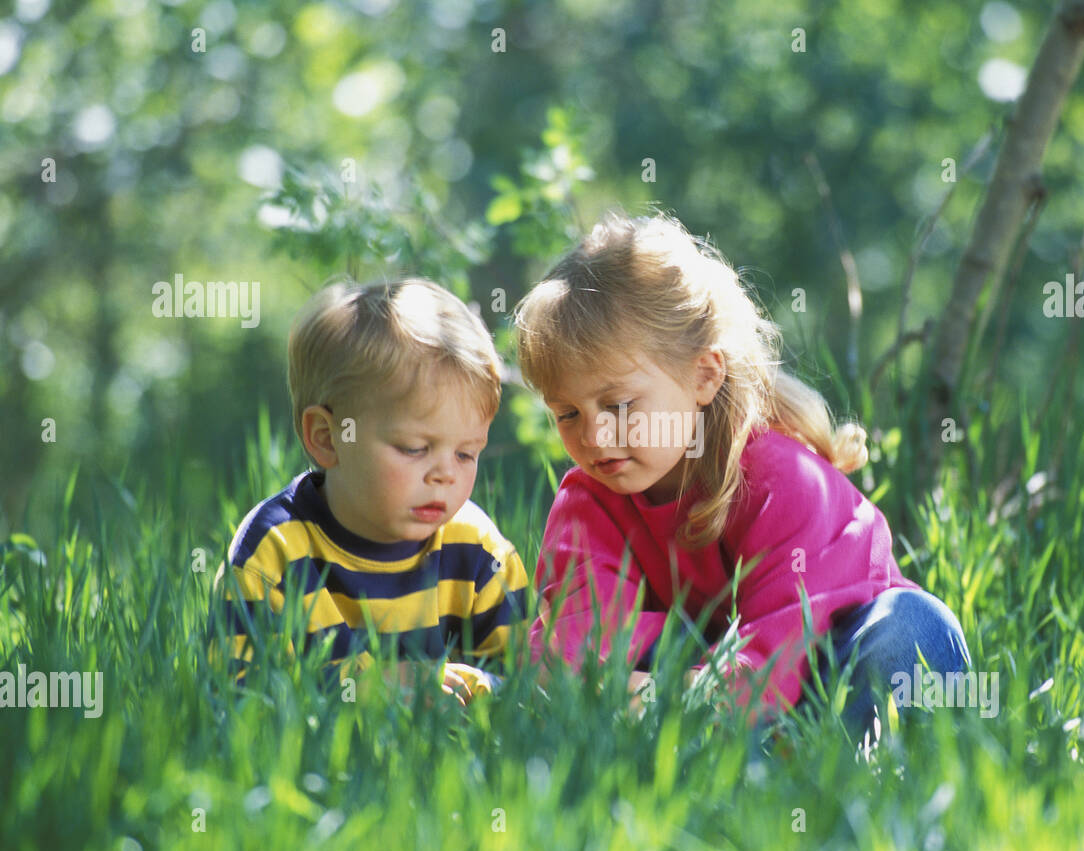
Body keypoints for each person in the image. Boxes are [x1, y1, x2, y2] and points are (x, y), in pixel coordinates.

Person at [514, 210, 970, 746]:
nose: (592, 436)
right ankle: (739, 763)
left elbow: (782, 651)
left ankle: (846, 768)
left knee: (911, 626)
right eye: (567, 414)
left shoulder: (784, 479)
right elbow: (571, 655)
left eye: (617, 404)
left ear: (704, 376)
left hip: (817, 670)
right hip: (708, 694)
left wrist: (650, 696)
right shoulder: (587, 503)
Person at [210, 278, 528, 705]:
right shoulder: (276, 551)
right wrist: (359, 692)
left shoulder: (477, 548)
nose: (445, 475)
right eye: (415, 448)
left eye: (467, 454)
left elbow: (531, 687)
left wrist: (481, 692)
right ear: (327, 437)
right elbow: (235, 695)